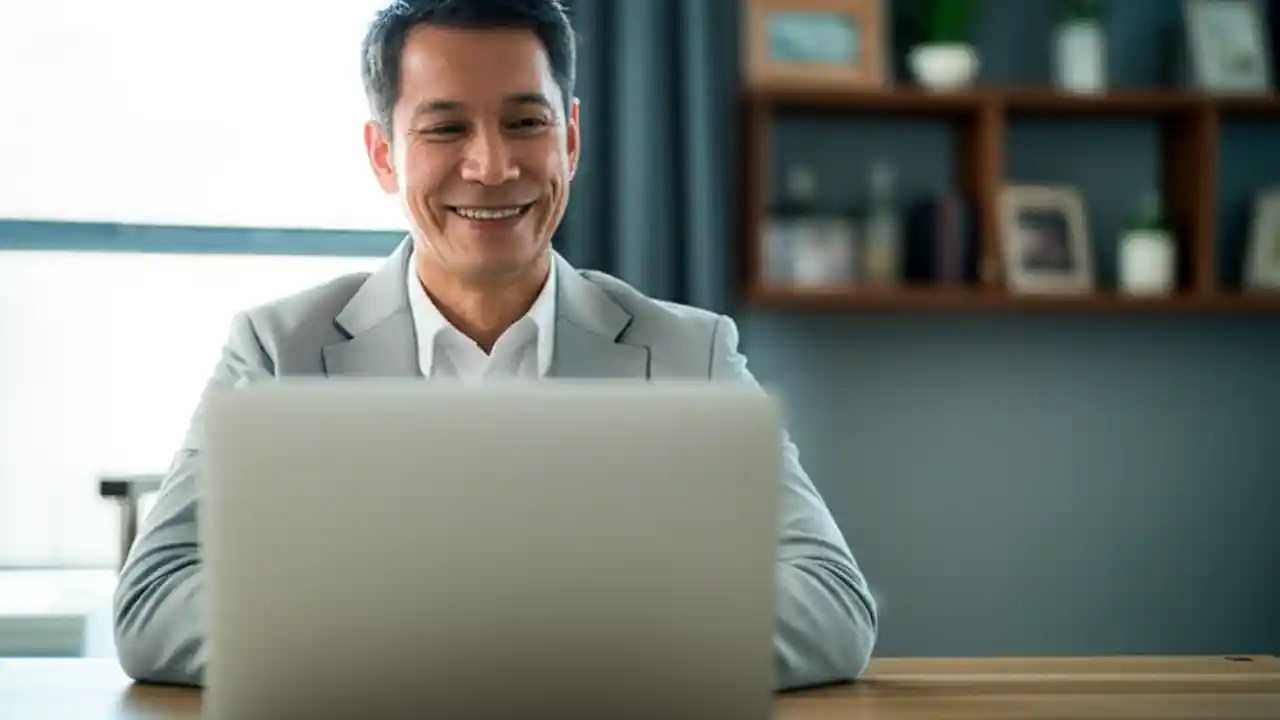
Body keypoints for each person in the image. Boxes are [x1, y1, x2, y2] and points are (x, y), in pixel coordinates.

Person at [113, 0, 877, 691]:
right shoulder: (277, 350)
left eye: (526, 122)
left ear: (570, 139)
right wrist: (432, 647)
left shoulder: (690, 352)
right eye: (446, 128)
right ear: (384, 155)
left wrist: (556, 652)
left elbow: (833, 603)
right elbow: (153, 604)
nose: (492, 166)